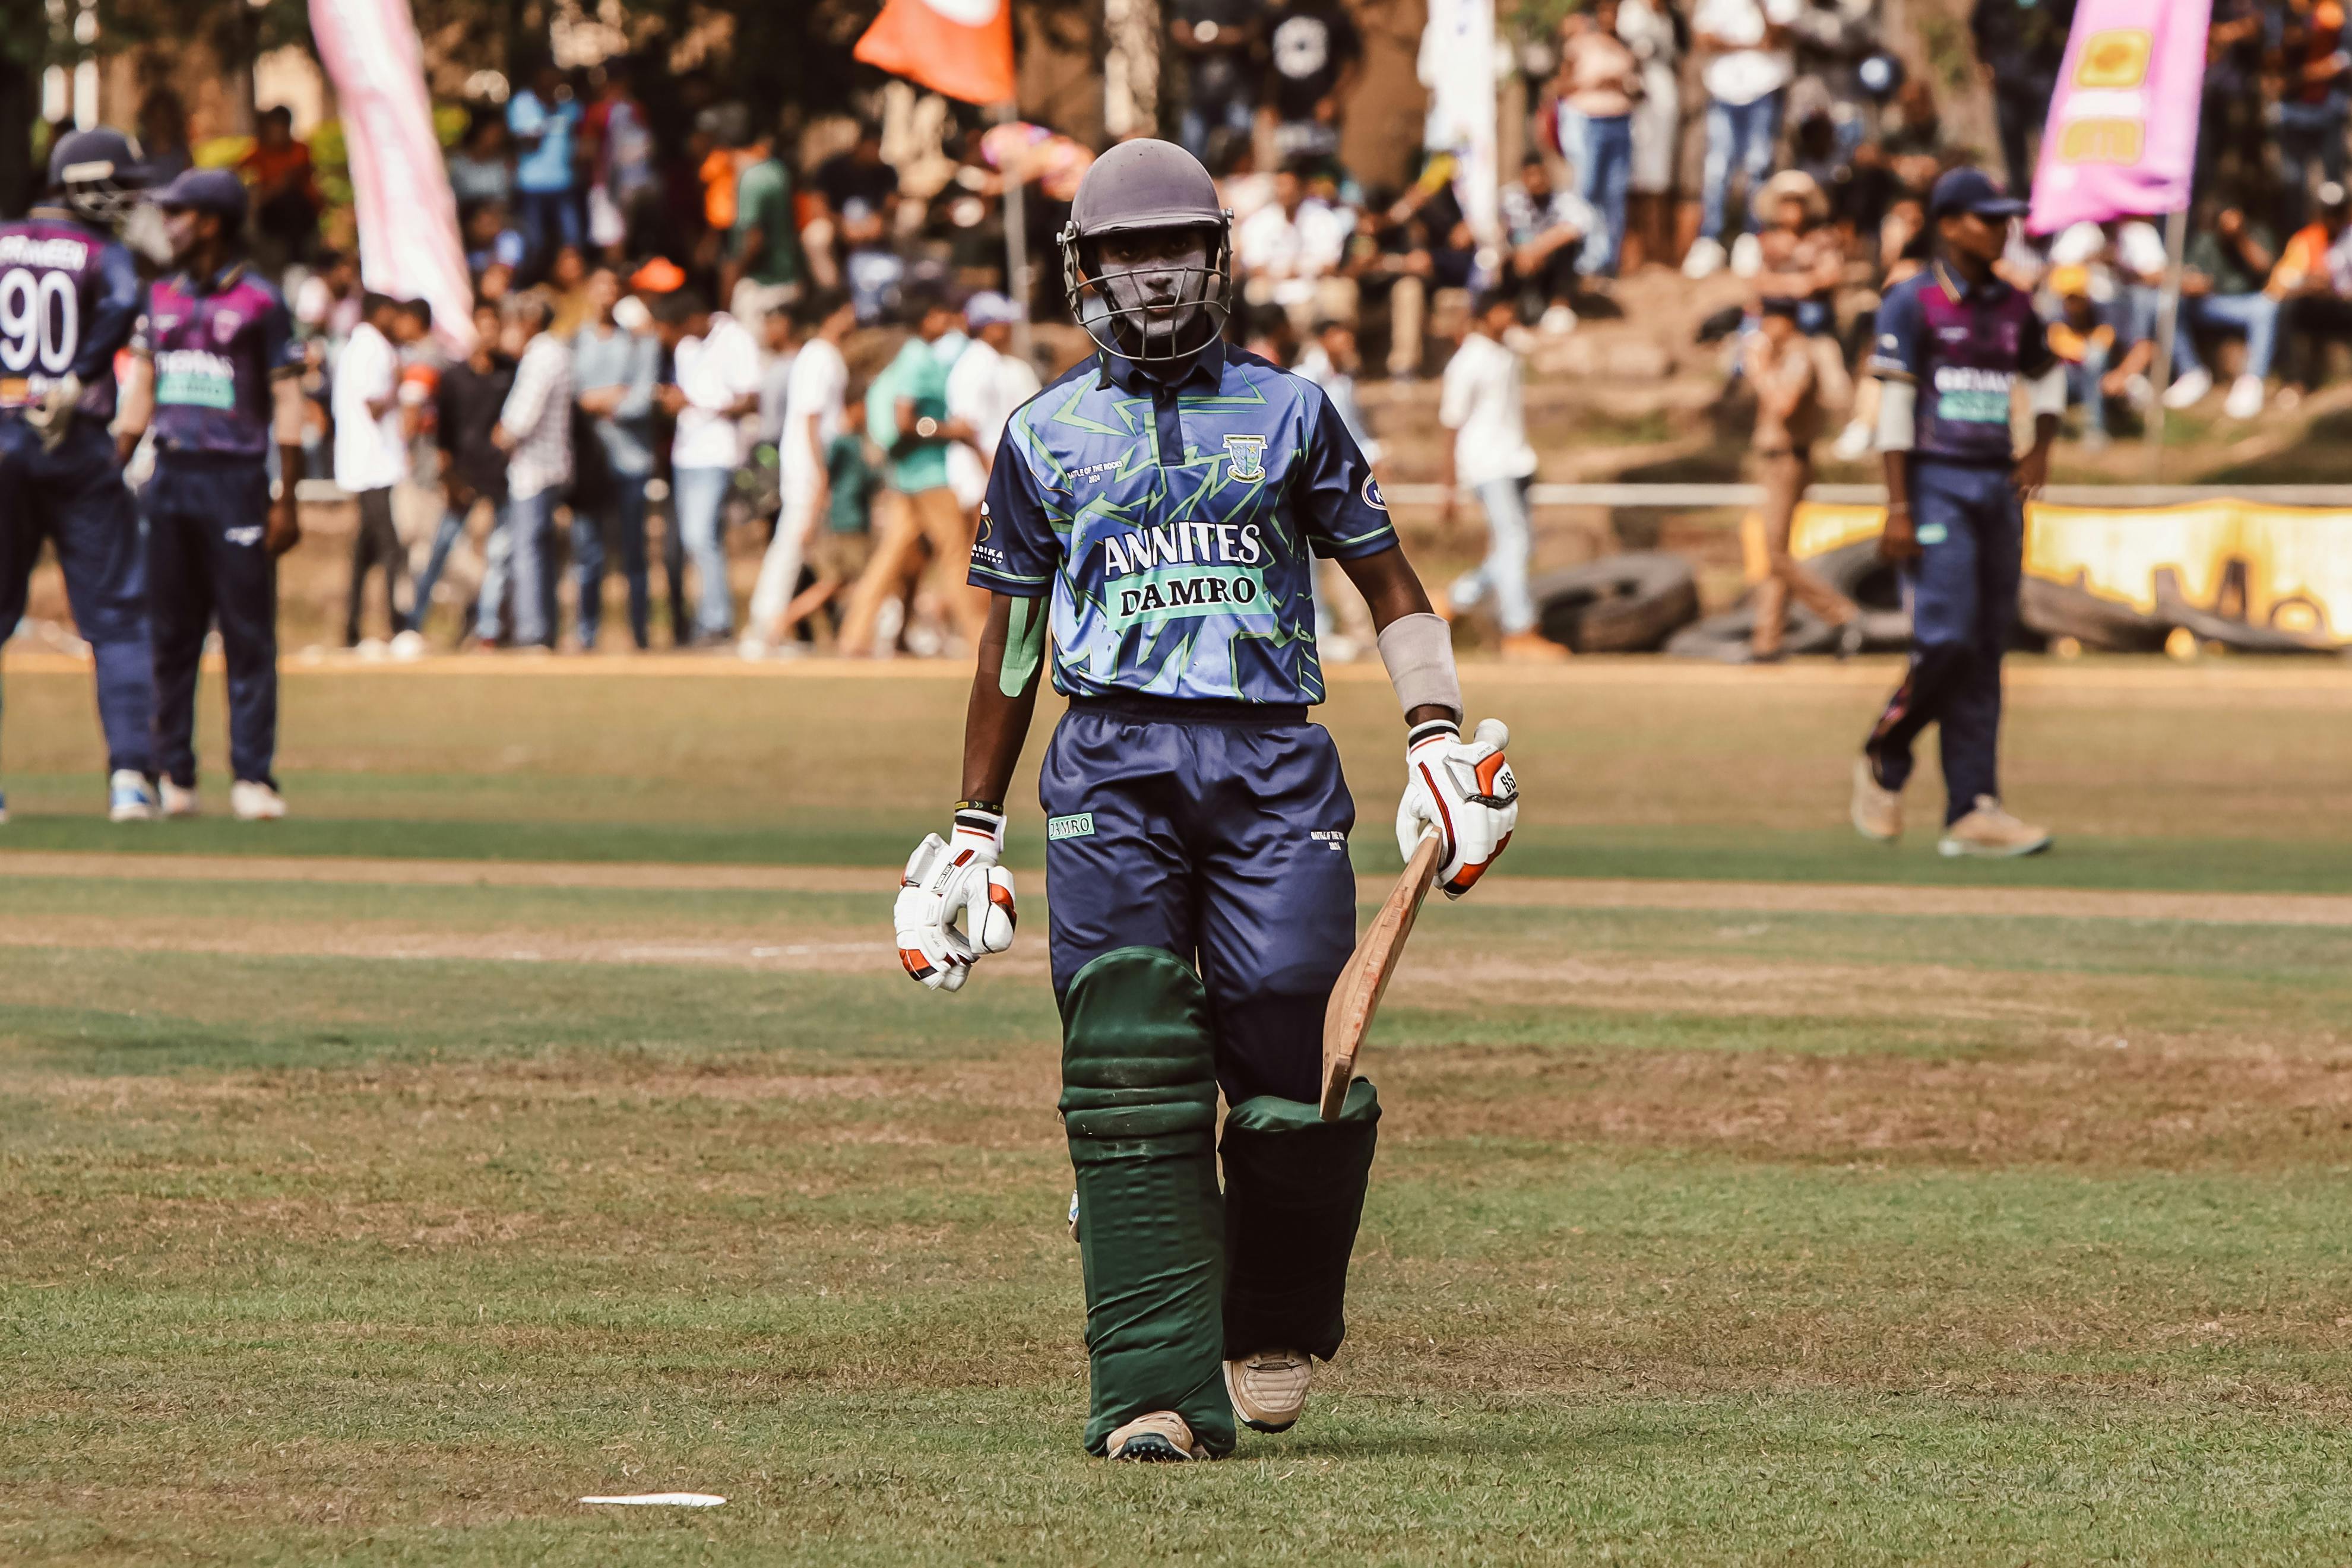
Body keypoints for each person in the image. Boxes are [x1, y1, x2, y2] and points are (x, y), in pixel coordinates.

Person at [894, 138, 1519, 1464]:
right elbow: (1012, 643)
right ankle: (1149, 1392)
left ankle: (1271, 1315)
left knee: (1290, 1040)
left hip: (1272, 762)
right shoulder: (1044, 432)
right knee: (1130, 1058)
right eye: (1130, 251)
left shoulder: (1292, 413)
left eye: (1176, 248)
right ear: (1086, 267)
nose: (1157, 275)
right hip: (1111, 759)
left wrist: (1437, 738)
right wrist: (968, 825)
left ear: (1217, 260)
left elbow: (1390, 583)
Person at [1851, 168, 2059, 858]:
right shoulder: (1911, 302)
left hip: (1996, 488)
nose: (2003, 228)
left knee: (1986, 650)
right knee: (1947, 640)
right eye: (1987, 217)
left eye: (2007, 217)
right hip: (1934, 482)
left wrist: (2042, 447)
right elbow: (1895, 406)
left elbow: (2046, 370)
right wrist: (1898, 505)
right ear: (1948, 224)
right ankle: (1887, 746)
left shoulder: (2014, 305)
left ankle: (1973, 807)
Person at [115, 168, 303, 821]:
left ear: (214, 222)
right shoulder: (160, 295)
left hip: (236, 481)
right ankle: (178, 775)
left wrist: (288, 496)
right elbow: (141, 391)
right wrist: (111, 472)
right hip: (169, 478)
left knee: (248, 635)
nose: (169, 225)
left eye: (181, 214)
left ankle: (253, 777)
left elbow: (286, 398)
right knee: (170, 634)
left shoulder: (260, 301)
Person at [0, 129, 160, 823]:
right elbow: (124, 303)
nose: (129, 198)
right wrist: (76, 376)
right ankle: (130, 779)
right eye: (121, 183)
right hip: (75, 444)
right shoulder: (107, 254)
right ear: (87, 183)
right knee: (117, 617)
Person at [838, 289, 985, 654]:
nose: (947, 321)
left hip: (909, 475)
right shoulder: (918, 359)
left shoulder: (913, 357)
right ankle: (981, 639)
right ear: (925, 320)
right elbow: (906, 422)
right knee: (957, 556)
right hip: (929, 475)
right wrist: (951, 431)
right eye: (940, 314)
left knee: (889, 559)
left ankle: (853, 638)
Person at [1440, 290, 1564, 662]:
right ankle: (1518, 631)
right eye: (1501, 309)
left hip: (1516, 461)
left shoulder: (1506, 350)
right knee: (1514, 541)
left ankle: (1455, 598)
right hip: (1487, 465)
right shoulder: (1468, 361)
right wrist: (1448, 488)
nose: (1509, 315)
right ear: (1484, 315)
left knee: (1517, 545)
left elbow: (1546, 346)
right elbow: (1451, 423)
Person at [1743, 297, 1859, 661]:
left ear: (1785, 321)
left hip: (1787, 462)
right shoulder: (1784, 353)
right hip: (1774, 461)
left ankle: (1842, 614)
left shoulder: (1798, 354)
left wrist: (1759, 370)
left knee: (1775, 554)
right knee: (1775, 552)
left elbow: (1784, 404)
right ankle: (1767, 642)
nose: (1763, 329)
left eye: (1768, 320)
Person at [743, 288, 854, 655]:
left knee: (806, 548)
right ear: (835, 314)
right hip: (810, 465)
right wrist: (821, 474)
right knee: (792, 545)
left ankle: (777, 627)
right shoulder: (820, 356)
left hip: (813, 462)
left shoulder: (819, 356)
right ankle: (764, 627)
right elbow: (810, 417)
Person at [653, 289, 762, 645]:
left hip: (718, 453)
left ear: (692, 320)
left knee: (701, 537)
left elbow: (750, 401)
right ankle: (707, 620)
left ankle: (717, 621)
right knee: (695, 540)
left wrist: (695, 402)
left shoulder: (735, 339)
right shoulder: (686, 349)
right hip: (686, 454)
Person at [413, 300, 515, 644]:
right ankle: (413, 624)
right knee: (440, 550)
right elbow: (442, 435)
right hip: (462, 476)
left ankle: (487, 630)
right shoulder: (454, 377)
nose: (488, 333)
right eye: (483, 326)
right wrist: (449, 479)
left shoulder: (510, 373)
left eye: (494, 326)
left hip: (500, 477)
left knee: (498, 557)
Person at [572, 266, 659, 649]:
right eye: (599, 285)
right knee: (587, 553)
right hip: (590, 463)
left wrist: (601, 401)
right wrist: (611, 396)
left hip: (631, 461)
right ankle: (586, 633)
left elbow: (641, 400)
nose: (606, 292)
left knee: (633, 553)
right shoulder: (576, 342)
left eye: (613, 285)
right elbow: (574, 398)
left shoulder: (640, 343)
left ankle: (639, 633)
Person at [1684, 0, 1800, 279]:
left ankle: (1752, 237)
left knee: (1758, 165)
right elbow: (1703, 38)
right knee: (1717, 168)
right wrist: (1748, 45)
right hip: (1722, 89)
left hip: (1764, 88)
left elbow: (1780, 37)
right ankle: (1710, 239)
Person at [333, 293, 422, 647]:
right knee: (390, 549)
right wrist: (400, 381)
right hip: (375, 463)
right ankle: (397, 625)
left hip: (365, 462)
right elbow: (374, 405)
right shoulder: (374, 349)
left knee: (366, 550)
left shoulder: (358, 346)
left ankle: (352, 628)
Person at [490, 290, 573, 650]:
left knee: (527, 552)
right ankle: (543, 628)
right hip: (553, 465)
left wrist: (499, 435)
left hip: (534, 469)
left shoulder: (541, 356)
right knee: (541, 552)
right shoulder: (558, 352)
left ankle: (532, 631)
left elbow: (519, 421)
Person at [775, 398, 880, 644]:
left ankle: (784, 623)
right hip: (850, 524)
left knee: (836, 584)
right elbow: (861, 479)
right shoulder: (848, 445)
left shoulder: (842, 443)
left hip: (845, 521)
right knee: (847, 583)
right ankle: (783, 623)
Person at [2164, 206, 2281, 420]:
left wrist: (2240, 238)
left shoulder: (2257, 234)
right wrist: (2194, 284)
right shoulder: (2206, 242)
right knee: (2167, 304)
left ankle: (2252, 380)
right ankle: (2191, 373)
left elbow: (2265, 268)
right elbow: (2192, 277)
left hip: (2248, 304)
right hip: (2210, 306)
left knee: (2268, 306)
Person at [1556, 0, 1642, 280]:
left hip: (1620, 121)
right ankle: (1585, 259)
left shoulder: (1627, 48)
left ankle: (1608, 261)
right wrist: (1594, 85)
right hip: (1589, 121)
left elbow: (1640, 90)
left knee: (1615, 194)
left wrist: (1622, 86)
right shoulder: (1581, 46)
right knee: (1588, 189)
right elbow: (1562, 86)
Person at [1968, 0, 2076, 202]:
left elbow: (2074, 23)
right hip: (2007, 86)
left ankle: (2058, 200)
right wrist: (1983, 65)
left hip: (2045, 85)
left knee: (2055, 147)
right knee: (2014, 155)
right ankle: (2019, 203)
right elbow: (1977, 28)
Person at [1500, 157, 1598, 331]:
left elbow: (1580, 225)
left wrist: (1538, 248)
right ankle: (1512, 309)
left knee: (1568, 246)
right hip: (1522, 267)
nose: (1536, 181)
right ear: (1522, 178)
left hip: (1550, 264)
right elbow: (1501, 234)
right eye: (1530, 175)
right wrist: (1524, 253)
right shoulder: (1510, 200)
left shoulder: (1563, 200)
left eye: (1540, 175)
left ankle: (1559, 305)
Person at [721, 120, 804, 324]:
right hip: (789, 276)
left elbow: (754, 240)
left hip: (763, 287)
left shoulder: (751, 179)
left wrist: (731, 281)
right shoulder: (777, 170)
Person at [1262, 0, 1364, 161]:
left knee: (1322, 175)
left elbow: (1352, 61)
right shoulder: (1277, 16)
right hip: (1286, 113)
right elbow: (1266, 62)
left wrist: (1334, 98)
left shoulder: (1335, 14)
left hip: (1321, 114)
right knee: (1287, 175)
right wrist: (1269, 102)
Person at [508, 60, 583, 269]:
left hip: (565, 183)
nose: (553, 82)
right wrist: (547, 115)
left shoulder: (570, 106)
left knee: (572, 241)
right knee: (535, 242)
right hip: (532, 185)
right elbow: (529, 143)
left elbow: (580, 139)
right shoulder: (523, 103)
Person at [1169, 0, 1262, 165]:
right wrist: (1206, 40)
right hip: (1198, 96)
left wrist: (1218, 36)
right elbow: (1179, 32)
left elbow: (1253, 30)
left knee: (1239, 152)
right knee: (1191, 155)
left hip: (1237, 94)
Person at [240, 106, 319, 271]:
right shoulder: (261, 152)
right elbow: (236, 169)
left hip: (301, 213)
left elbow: (287, 182)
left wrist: (260, 200)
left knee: (291, 201)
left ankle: (297, 262)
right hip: (273, 213)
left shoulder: (300, 150)